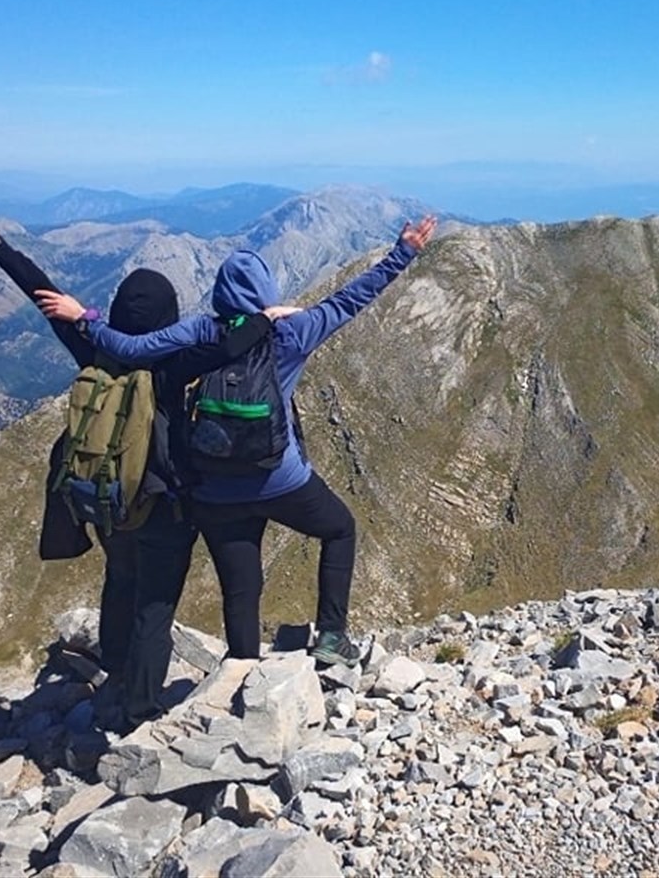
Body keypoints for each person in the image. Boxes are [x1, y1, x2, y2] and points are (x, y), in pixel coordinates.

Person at [35, 215, 438, 667]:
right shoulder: (294, 332)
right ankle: (330, 635)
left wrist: (85, 320)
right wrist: (402, 253)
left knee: (241, 587)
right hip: (281, 480)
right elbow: (352, 298)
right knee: (340, 528)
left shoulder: (200, 332)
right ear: (266, 294)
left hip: (214, 491)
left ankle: (242, 671)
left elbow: (132, 349)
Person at [0, 187, 283, 731]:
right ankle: (140, 711)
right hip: (165, 506)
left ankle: (117, 672)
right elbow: (234, 342)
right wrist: (267, 315)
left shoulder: (94, 347)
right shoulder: (174, 361)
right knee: (156, 605)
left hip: (107, 502)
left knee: (119, 579)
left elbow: (41, 291)